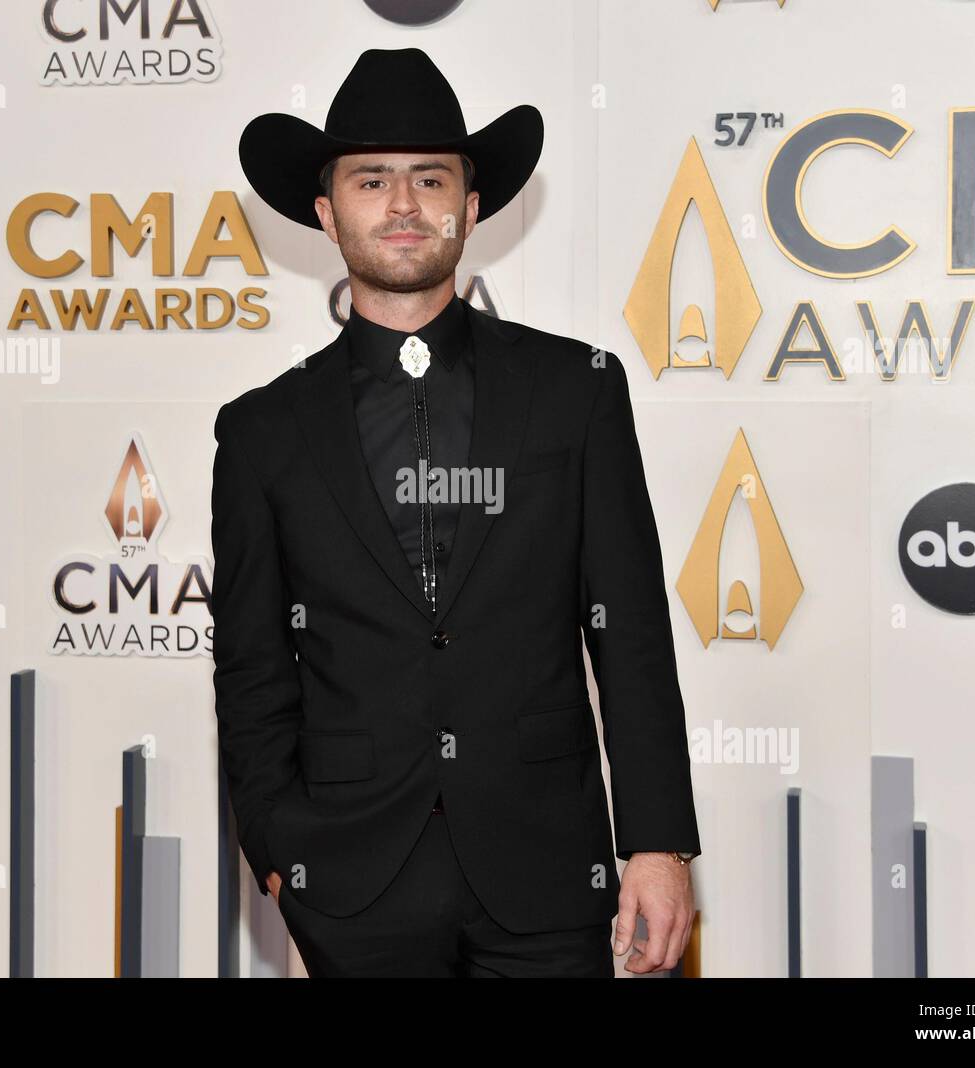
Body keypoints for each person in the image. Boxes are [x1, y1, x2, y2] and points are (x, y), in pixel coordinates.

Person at [213, 46, 700, 977]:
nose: (402, 204)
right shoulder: (261, 430)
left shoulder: (577, 390)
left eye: (430, 179)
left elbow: (631, 632)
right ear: (326, 212)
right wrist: (276, 847)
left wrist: (658, 843)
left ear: (470, 209)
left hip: (548, 872)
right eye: (371, 180)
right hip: (351, 884)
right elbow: (252, 665)